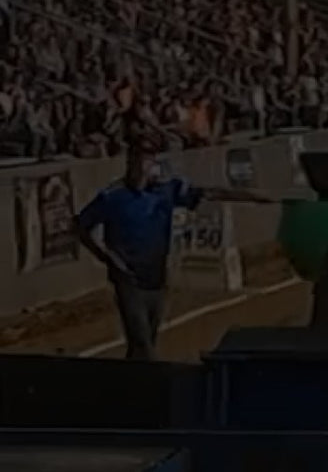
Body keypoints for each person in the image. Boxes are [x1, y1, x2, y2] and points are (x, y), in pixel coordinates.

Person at [74, 146, 275, 360]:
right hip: (128, 279)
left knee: (145, 341)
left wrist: (252, 197)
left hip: (156, 277)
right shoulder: (112, 196)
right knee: (142, 341)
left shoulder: (166, 191)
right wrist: (106, 257)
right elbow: (80, 226)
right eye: (139, 164)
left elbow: (212, 192)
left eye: (147, 164)